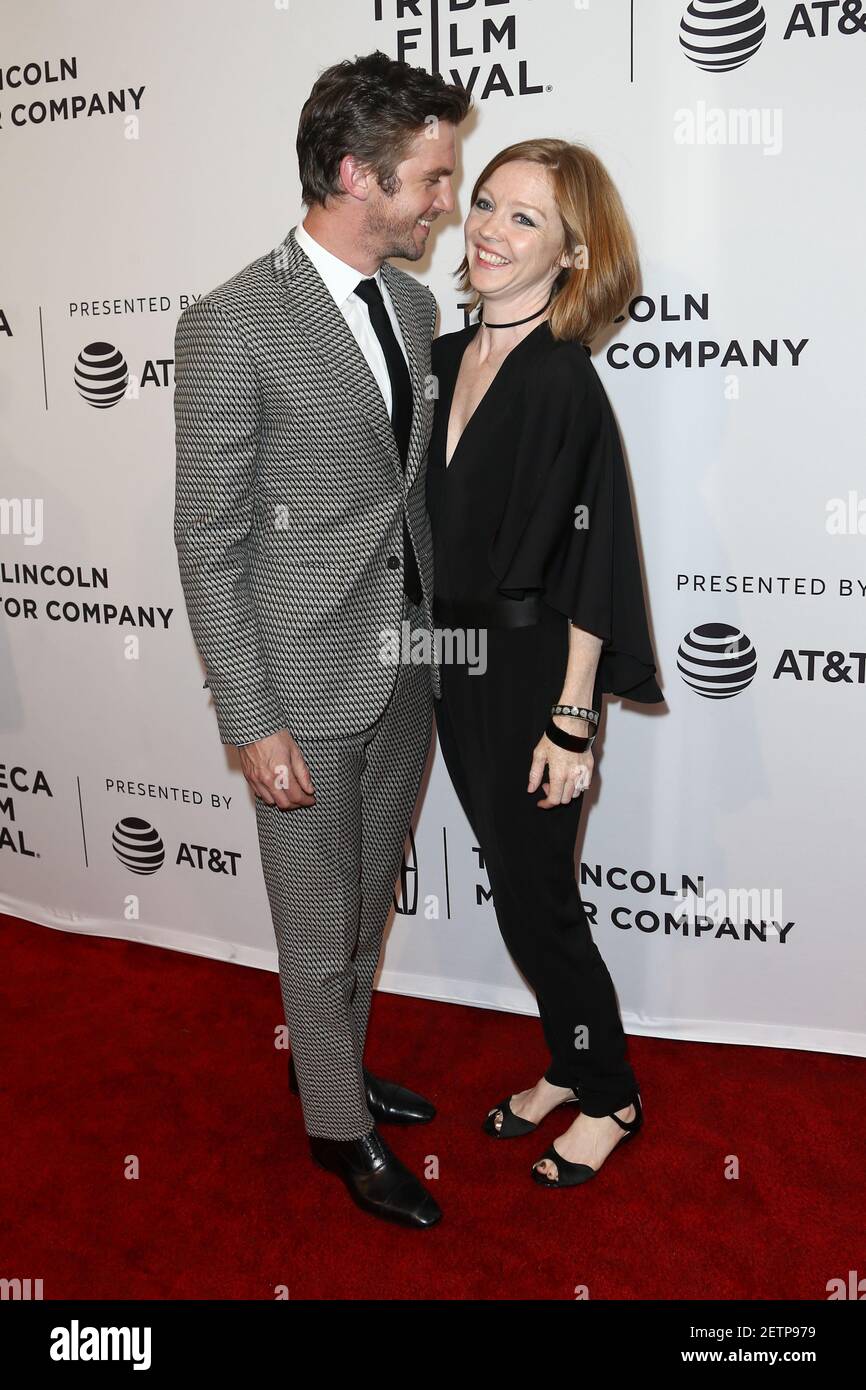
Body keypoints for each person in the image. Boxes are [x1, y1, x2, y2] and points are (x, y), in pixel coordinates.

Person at [173, 52, 471, 1228]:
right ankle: (334, 1133)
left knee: (360, 905)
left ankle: (328, 1062)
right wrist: (250, 717)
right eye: (432, 181)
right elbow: (208, 537)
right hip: (298, 676)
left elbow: (403, 495)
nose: (446, 204)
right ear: (358, 176)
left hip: (406, 665)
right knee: (315, 912)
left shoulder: (411, 304)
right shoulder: (234, 322)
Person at [426, 139, 664, 1189]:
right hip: (445, 657)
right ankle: (569, 1062)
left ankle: (609, 1088)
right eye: (485, 204)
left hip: (530, 670)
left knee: (537, 898)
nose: (489, 228)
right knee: (519, 887)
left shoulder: (562, 380)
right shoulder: (435, 359)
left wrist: (574, 722)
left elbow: (589, 557)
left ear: (571, 253)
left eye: (525, 218)